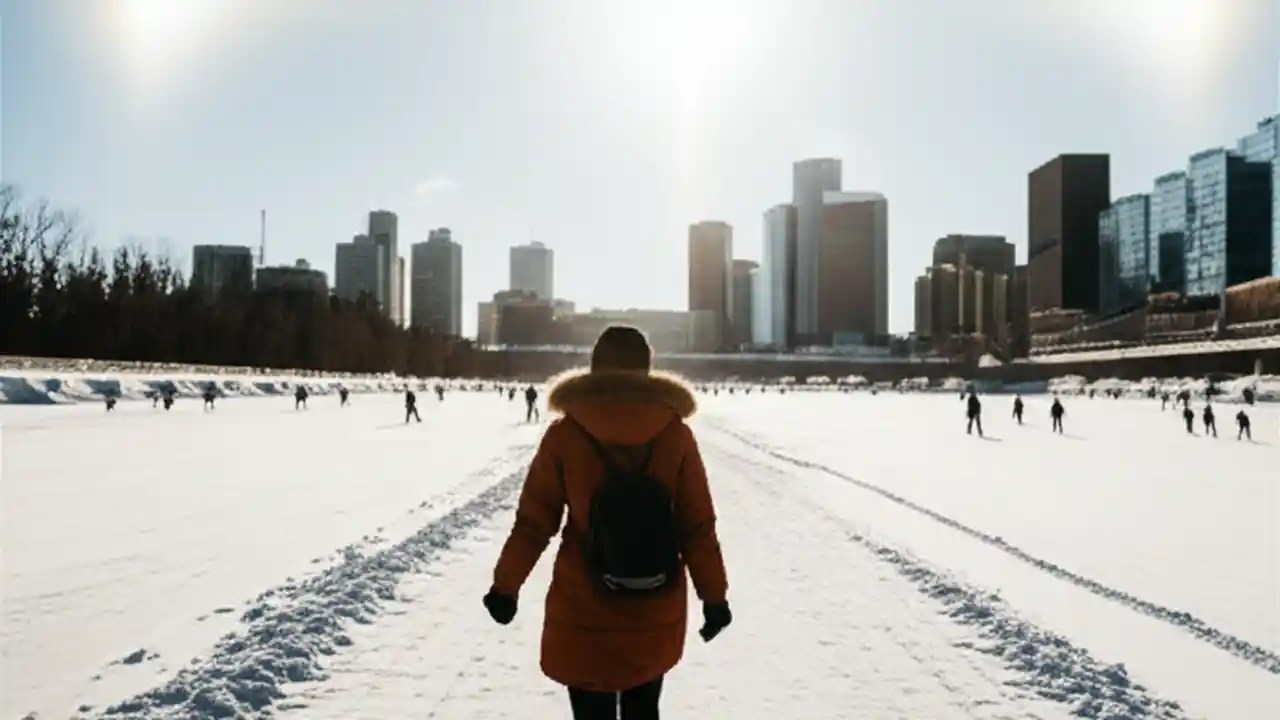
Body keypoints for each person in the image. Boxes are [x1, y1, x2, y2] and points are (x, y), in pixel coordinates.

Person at [485, 325, 730, 720]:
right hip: (655, 601)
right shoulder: (676, 435)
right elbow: (697, 526)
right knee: (643, 709)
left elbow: (534, 521)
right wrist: (714, 597)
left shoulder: (564, 434)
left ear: (595, 369)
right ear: (647, 370)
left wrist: (505, 586)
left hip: (584, 604)